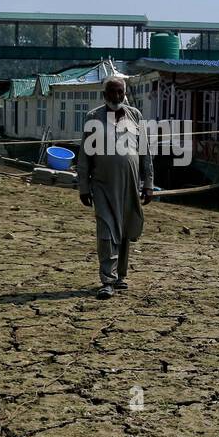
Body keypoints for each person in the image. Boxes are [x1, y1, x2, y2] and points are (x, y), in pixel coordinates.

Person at [77, 76, 153, 299]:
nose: (116, 97)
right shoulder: (93, 118)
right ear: (104, 95)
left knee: (125, 229)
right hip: (102, 185)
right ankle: (107, 281)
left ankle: (121, 276)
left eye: (120, 93)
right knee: (106, 231)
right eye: (112, 93)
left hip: (129, 184)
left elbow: (144, 153)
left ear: (125, 93)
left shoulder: (135, 116)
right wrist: (83, 186)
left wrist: (148, 184)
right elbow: (84, 156)